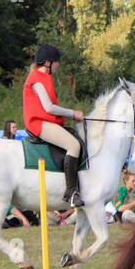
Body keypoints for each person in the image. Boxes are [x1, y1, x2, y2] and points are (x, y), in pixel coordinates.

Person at [23, 44, 86, 207]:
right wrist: (73, 113)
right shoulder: (36, 78)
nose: (59, 64)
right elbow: (48, 107)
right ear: (47, 63)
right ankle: (71, 192)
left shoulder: (44, 78)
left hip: (46, 122)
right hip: (38, 124)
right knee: (73, 146)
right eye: (57, 61)